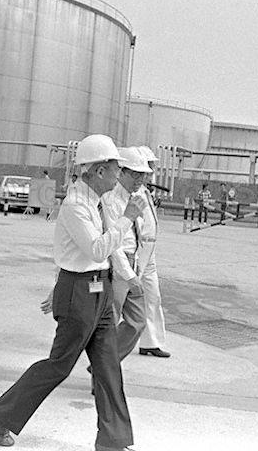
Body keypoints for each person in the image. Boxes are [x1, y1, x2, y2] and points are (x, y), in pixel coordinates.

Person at [0, 134, 147, 450]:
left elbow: (109, 249)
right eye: (116, 169)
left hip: (100, 288)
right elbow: (97, 249)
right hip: (79, 292)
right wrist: (128, 218)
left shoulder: (98, 202)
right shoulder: (75, 206)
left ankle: (113, 441)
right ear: (99, 170)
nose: (118, 175)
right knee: (59, 365)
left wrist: (128, 276)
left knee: (108, 367)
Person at [100, 147, 152, 369]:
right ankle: (104, 370)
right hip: (118, 267)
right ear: (121, 172)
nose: (140, 179)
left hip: (133, 263)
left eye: (143, 175)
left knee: (137, 321)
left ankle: (104, 364)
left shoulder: (136, 198)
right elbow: (114, 245)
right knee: (110, 322)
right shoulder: (110, 200)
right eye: (136, 174)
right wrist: (129, 276)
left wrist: (137, 268)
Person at [136, 146, 170, 359]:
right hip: (138, 249)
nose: (152, 171)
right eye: (150, 166)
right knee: (125, 298)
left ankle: (151, 342)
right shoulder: (133, 191)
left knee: (152, 296)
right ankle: (107, 346)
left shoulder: (145, 191)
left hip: (150, 251)